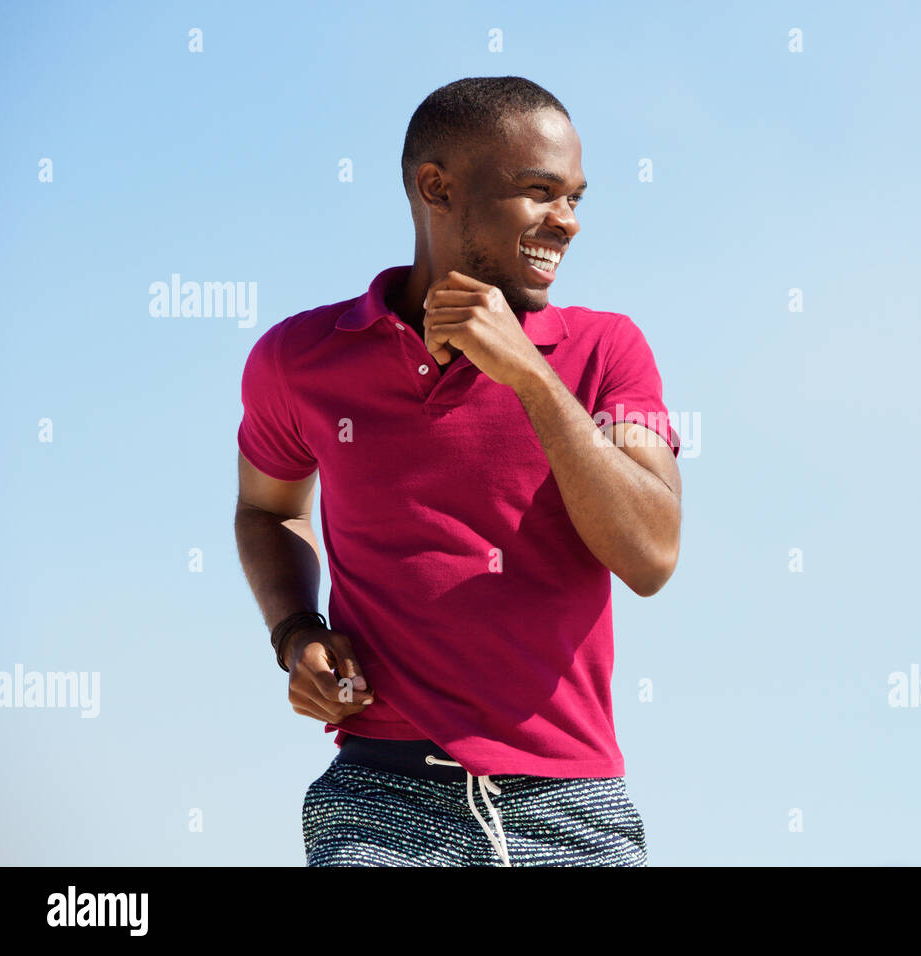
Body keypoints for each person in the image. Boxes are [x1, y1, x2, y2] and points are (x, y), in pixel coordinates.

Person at [233, 76, 683, 867]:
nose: (567, 223)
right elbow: (267, 510)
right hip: (378, 801)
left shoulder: (609, 351)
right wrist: (295, 630)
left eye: (575, 198)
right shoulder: (297, 359)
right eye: (538, 192)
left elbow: (650, 555)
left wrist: (533, 381)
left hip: (572, 810)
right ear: (434, 187)